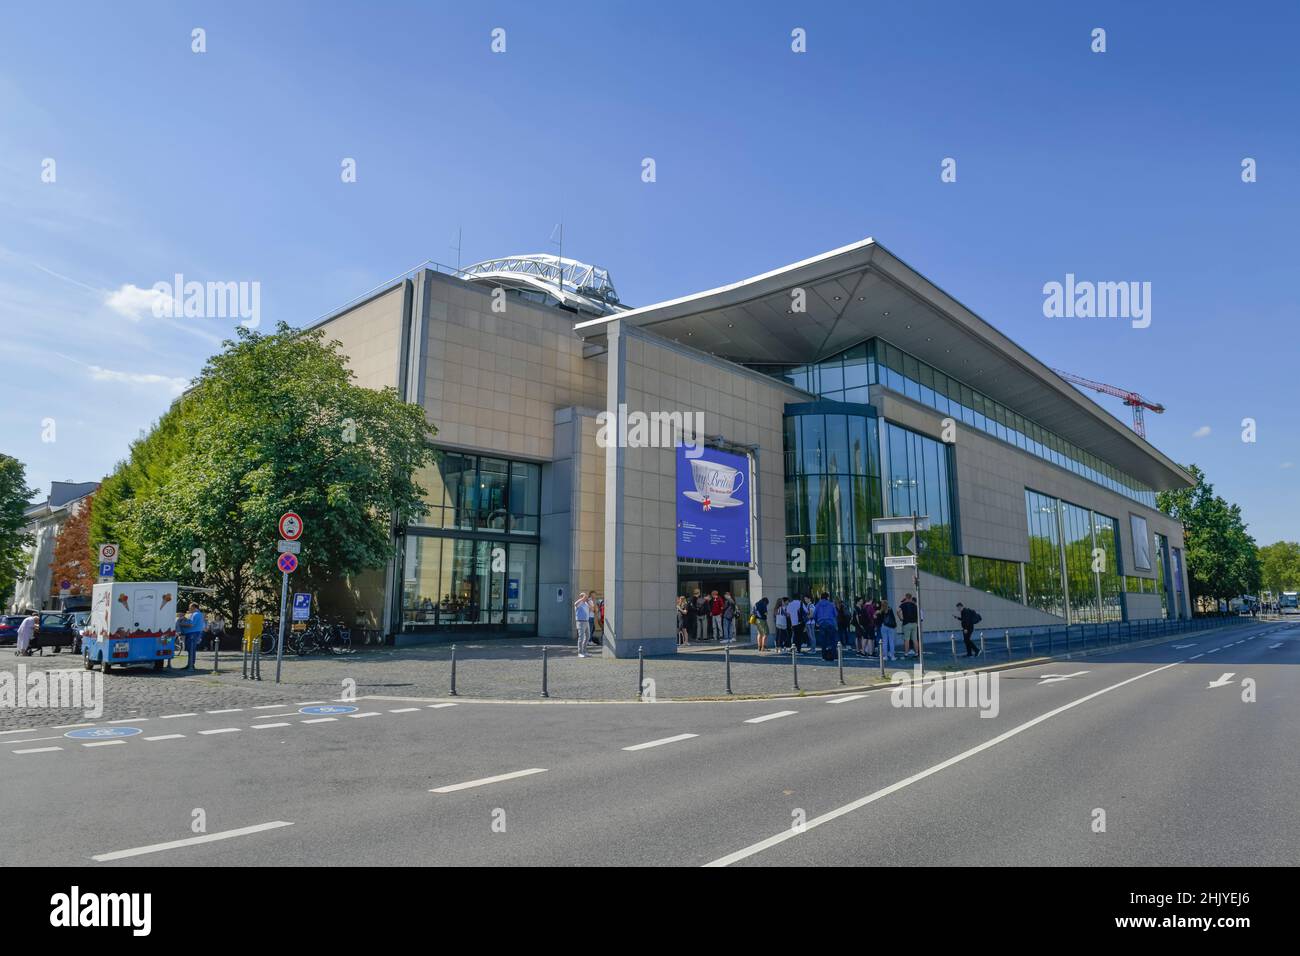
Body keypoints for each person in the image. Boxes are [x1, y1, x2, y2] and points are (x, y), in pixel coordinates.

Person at [178, 602, 206, 669]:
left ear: (194, 607)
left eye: (190, 607)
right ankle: (190, 664)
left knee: (191, 649)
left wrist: (181, 624)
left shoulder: (196, 614)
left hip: (193, 634)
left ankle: (191, 665)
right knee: (190, 649)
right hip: (192, 633)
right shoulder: (195, 614)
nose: (189, 608)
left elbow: (191, 625)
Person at [813, 592, 838, 660]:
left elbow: (814, 615)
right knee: (832, 640)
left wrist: (817, 622)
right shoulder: (831, 604)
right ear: (827, 597)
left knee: (823, 641)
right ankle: (833, 656)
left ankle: (824, 656)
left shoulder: (818, 605)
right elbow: (836, 614)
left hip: (822, 624)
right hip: (831, 623)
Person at [574, 591, 594, 657]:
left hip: (586, 621)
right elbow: (575, 604)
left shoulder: (586, 603)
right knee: (581, 637)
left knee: (588, 636)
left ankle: (584, 651)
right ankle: (580, 652)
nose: (586, 597)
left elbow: (592, 609)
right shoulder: (579, 603)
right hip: (580, 622)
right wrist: (582, 599)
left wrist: (588, 601)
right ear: (581, 597)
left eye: (586, 596)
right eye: (584, 596)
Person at [899, 593, 920, 658]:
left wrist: (901, 618)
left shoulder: (903, 604)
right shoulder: (915, 605)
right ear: (911, 598)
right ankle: (916, 653)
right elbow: (918, 614)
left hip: (906, 623)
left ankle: (906, 654)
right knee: (915, 639)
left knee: (906, 640)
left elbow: (897, 611)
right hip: (914, 624)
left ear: (906, 597)